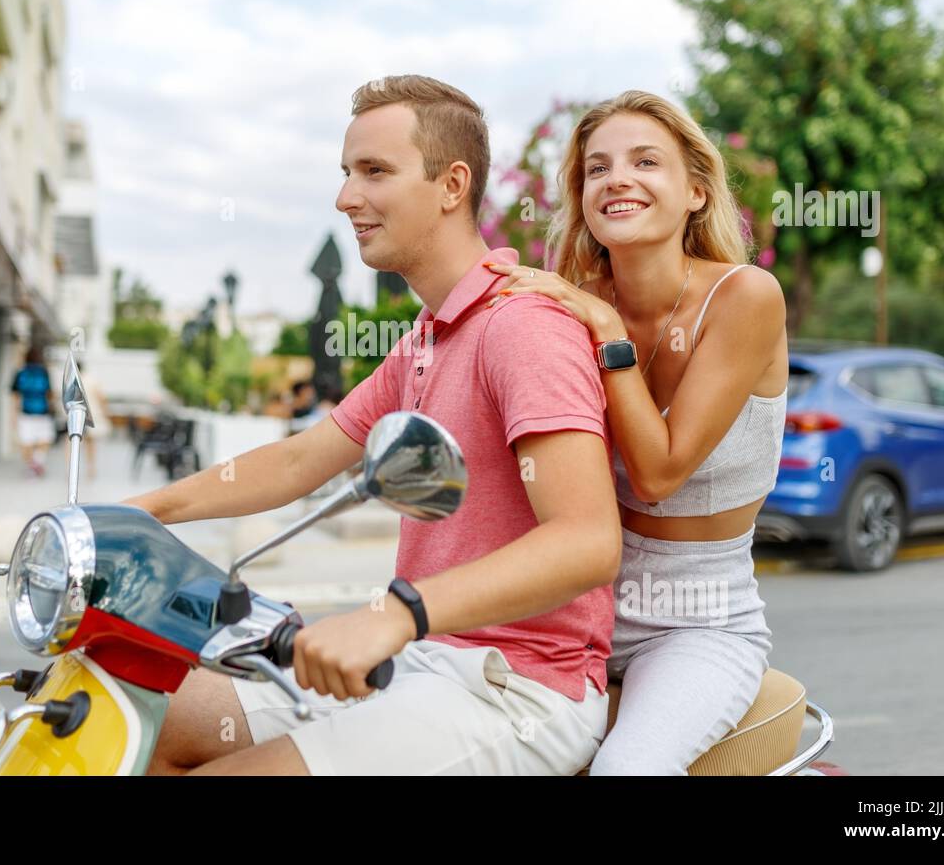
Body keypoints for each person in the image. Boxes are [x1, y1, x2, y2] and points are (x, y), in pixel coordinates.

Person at [125, 74, 622, 776]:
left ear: (452, 185)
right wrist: (141, 512)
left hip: (515, 688)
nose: (345, 197)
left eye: (374, 172)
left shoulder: (522, 328)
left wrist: (394, 615)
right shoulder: (426, 336)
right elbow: (302, 461)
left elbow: (588, 541)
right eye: (346, 173)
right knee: (146, 722)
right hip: (421, 656)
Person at [483, 90, 787, 774]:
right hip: (575, 605)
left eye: (645, 161)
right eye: (597, 168)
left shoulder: (744, 297)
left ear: (698, 194)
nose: (617, 178)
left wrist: (609, 332)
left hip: (696, 622)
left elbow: (658, 475)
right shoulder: (571, 302)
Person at [11, 346, 55, 478]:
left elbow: (15, 395)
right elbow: (49, 393)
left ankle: (32, 466)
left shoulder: (20, 373)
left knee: (26, 441)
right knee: (45, 439)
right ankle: (38, 462)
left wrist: (13, 414)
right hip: (43, 412)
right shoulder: (44, 372)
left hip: (26, 412)